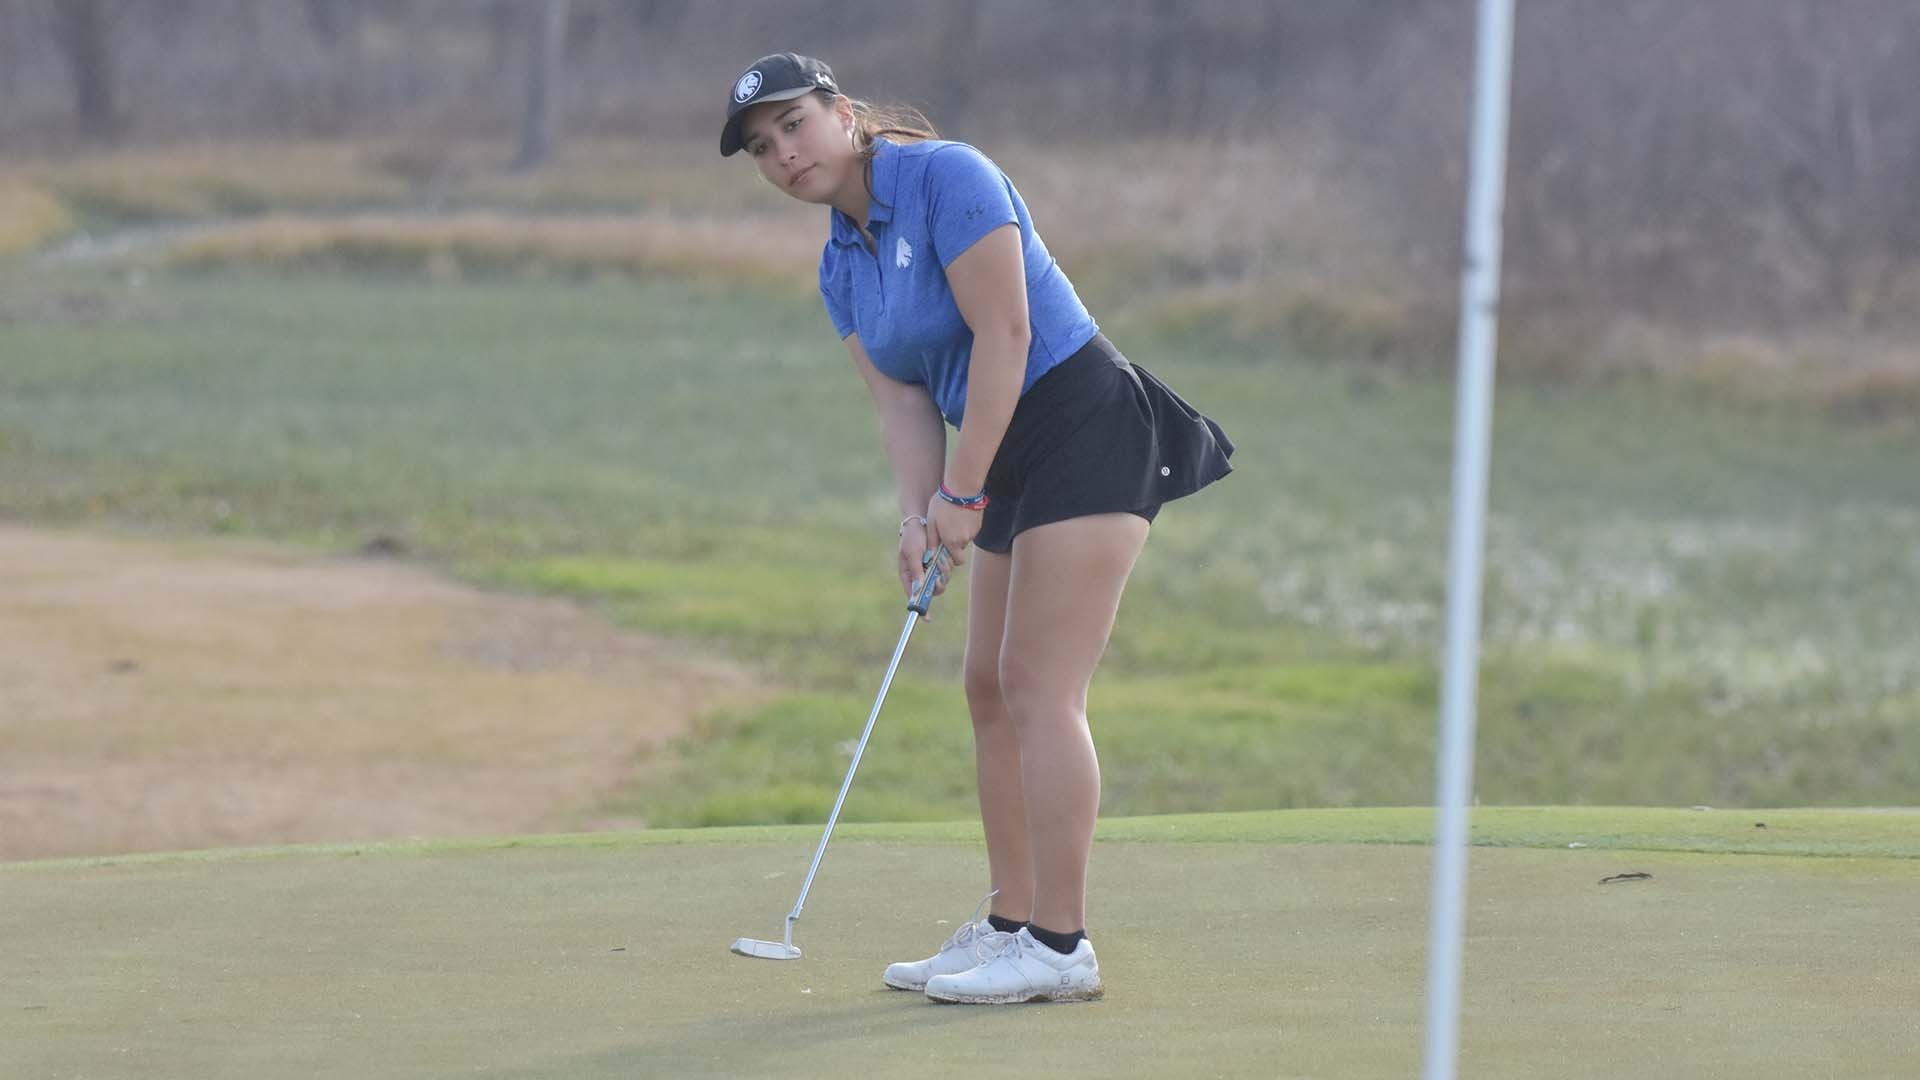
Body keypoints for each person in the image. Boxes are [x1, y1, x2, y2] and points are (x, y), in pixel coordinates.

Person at [720, 53, 1233, 1005]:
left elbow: (1006, 335)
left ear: (843, 113)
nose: (784, 155)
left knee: (1041, 685)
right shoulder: (841, 262)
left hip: (1084, 420)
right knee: (986, 686)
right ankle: (1009, 924)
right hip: (996, 448)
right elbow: (902, 406)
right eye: (761, 148)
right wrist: (920, 515)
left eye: (794, 125)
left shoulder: (950, 176)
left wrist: (961, 495)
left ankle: (1061, 945)